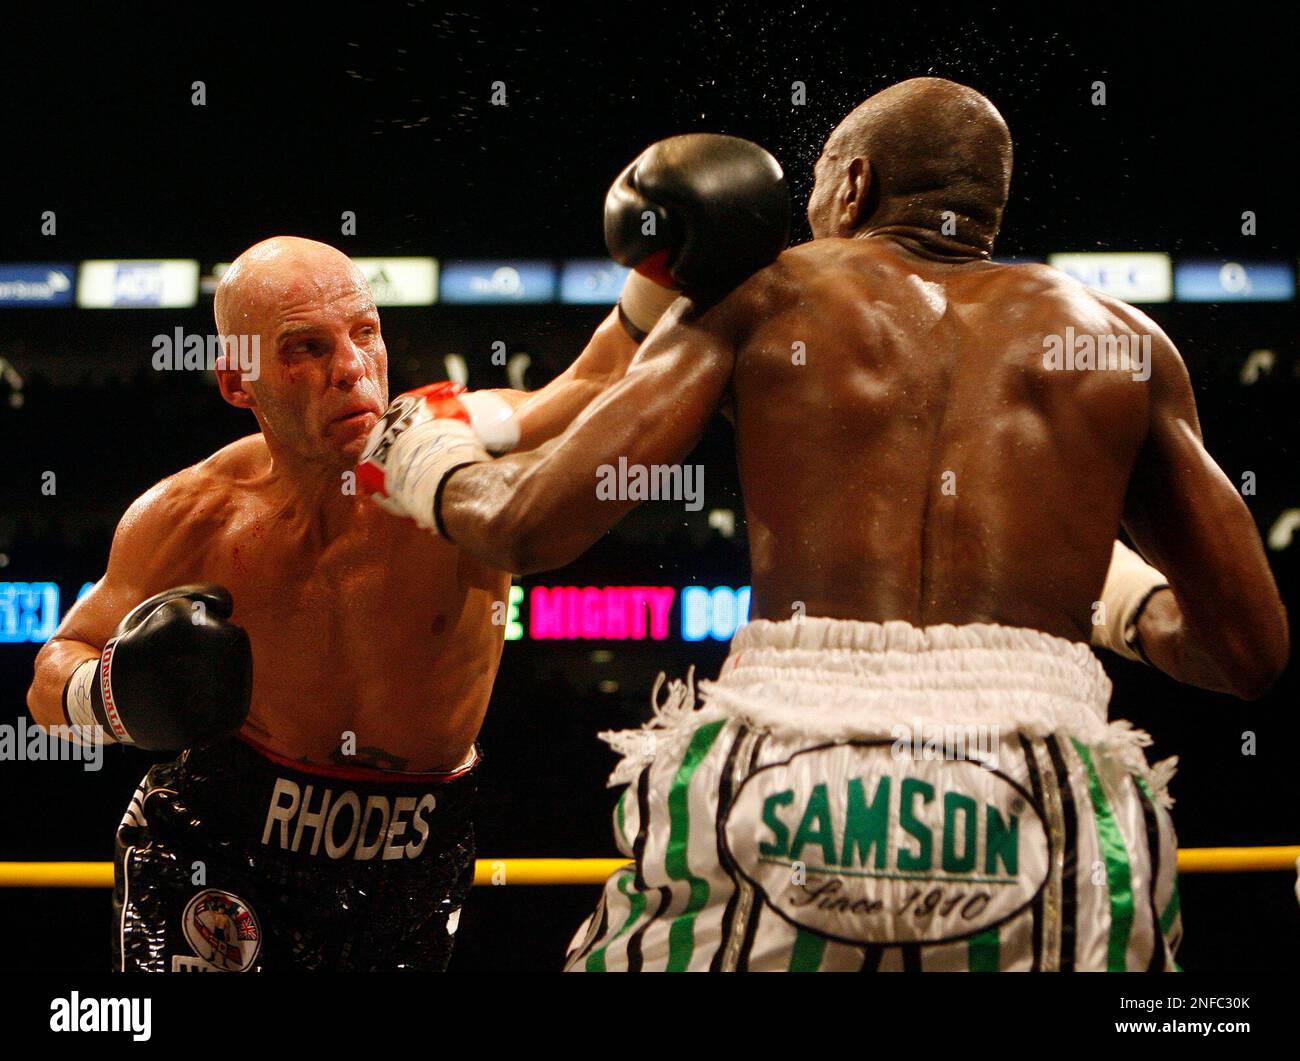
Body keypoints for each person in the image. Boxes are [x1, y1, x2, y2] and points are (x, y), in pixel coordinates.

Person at [361, 80, 1288, 971]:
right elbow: (1249, 651)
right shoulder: (1123, 342)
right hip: (1045, 795)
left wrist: (420, 456)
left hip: (794, 761)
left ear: (853, 184)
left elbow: (530, 522)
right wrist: (1112, 595)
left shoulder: (769, 291)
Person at [25, 233, 673, 970]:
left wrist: (661, 275)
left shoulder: (449, 449)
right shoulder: (193, 514)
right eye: (304, 348)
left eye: (365, 332)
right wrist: (111, 691)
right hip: (217, 846)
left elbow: (593, 386)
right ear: (239, 382)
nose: (351, 369)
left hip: (414, 863)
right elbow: (51, 674)